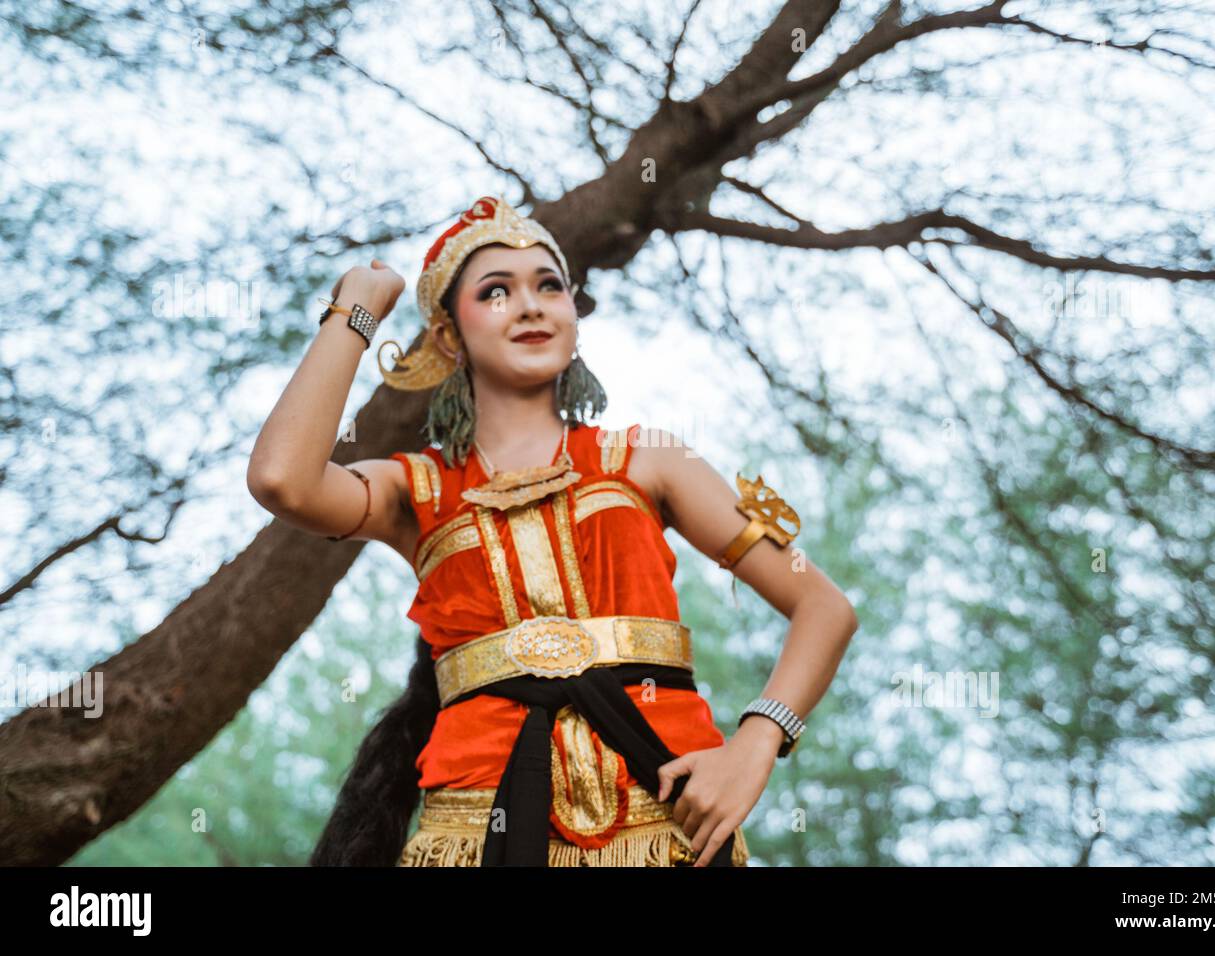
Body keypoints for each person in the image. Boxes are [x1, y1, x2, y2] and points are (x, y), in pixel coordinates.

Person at [246, 195, 859, 866]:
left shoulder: (651, 459)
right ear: (449, 335)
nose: (531, 305)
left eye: (549, 286)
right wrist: (357, 310)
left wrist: (756, 744)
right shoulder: (413, 490)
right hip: (473, 838)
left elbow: (822, 606)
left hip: (665, 830)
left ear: (572, 314)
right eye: (496, 292)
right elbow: (283, 480)